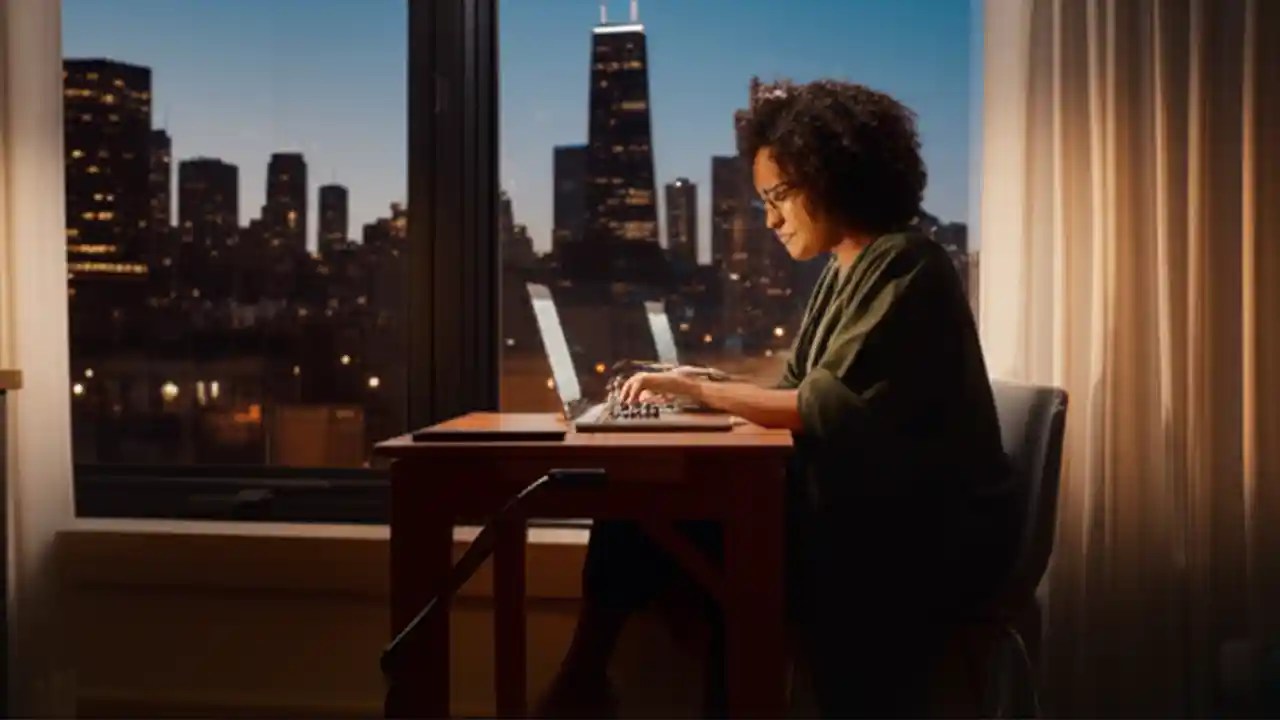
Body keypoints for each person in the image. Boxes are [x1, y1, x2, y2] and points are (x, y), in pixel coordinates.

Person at [536, 79, 1017, 718]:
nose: (770, 218)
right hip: (866, 516)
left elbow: (825, 407)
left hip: (916, 540)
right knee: (652, 517)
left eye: (780, 195)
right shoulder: (845, 272)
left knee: (650, 518)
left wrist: (695, 390)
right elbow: (794, 391)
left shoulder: (908, 265)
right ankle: (601, 681)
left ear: (835, 175)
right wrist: (702, 386)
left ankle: (585, 682)